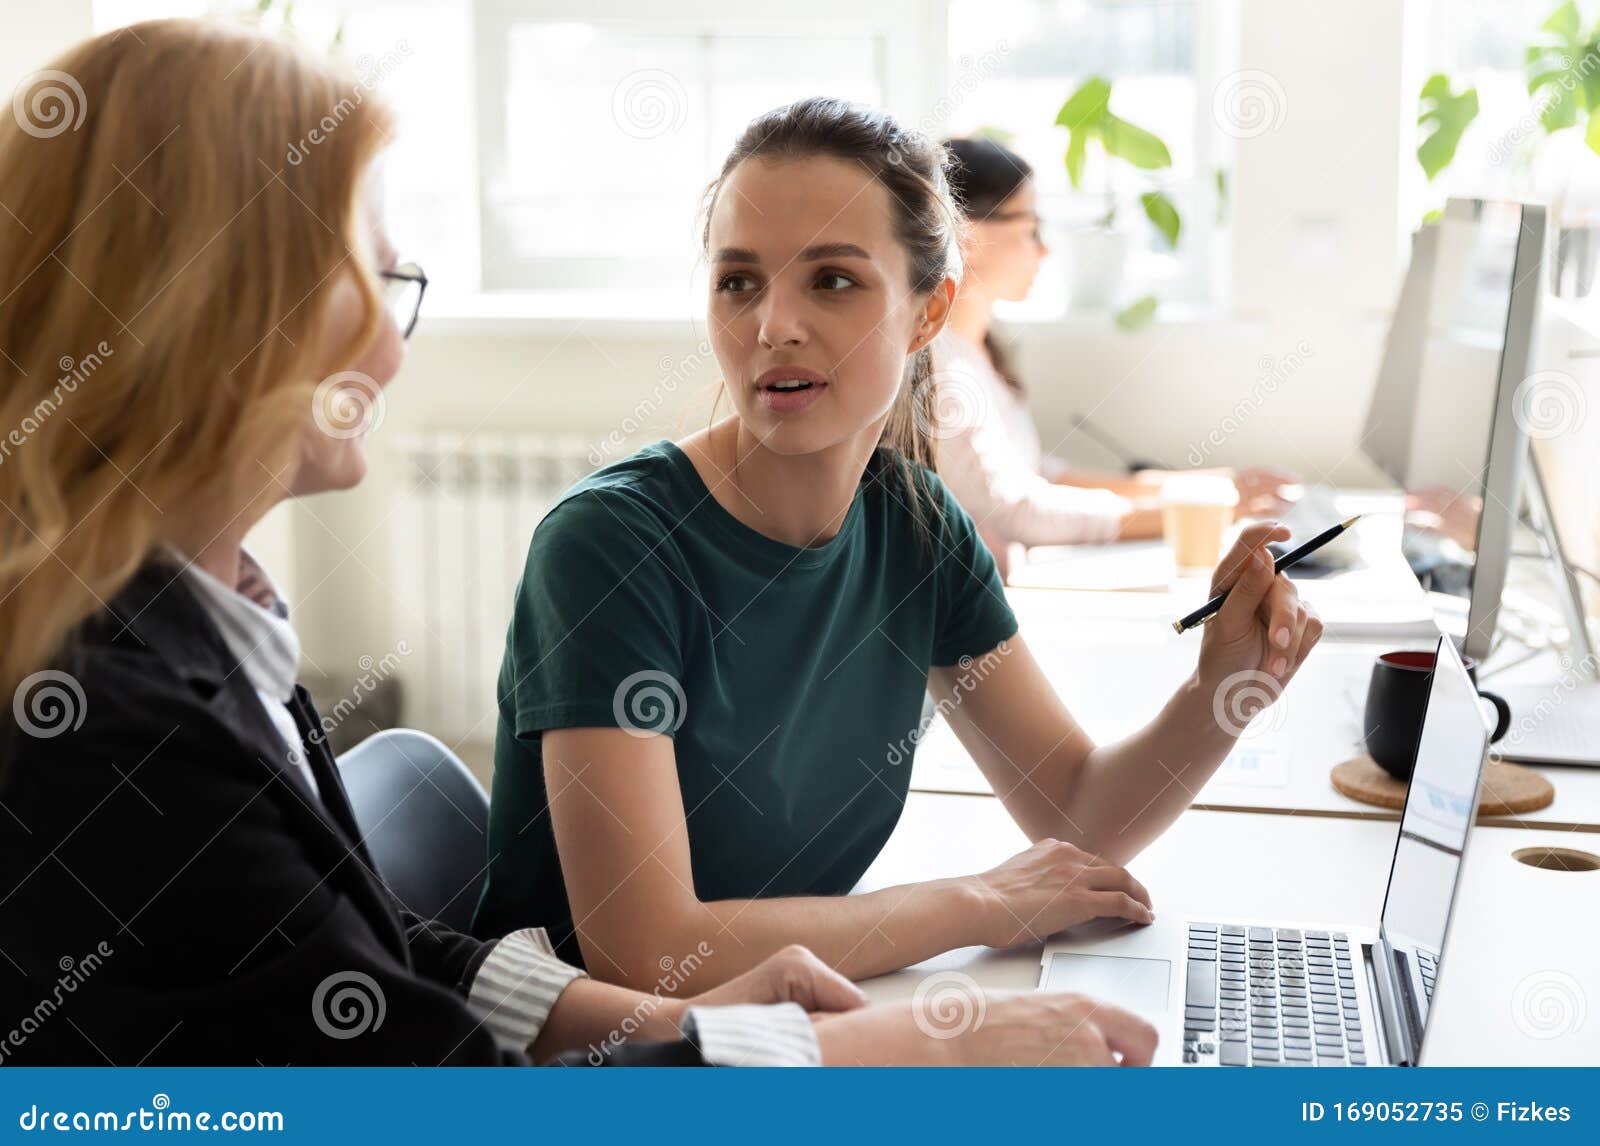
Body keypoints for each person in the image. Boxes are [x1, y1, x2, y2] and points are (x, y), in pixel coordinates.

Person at [0, 21, 1156, 1068]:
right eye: (373, 280)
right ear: (212, 309)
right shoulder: (112, 732)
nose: (394, 350)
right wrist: (888, 1050)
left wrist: (696, 1028)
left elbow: (381, 957)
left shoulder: (198, 635)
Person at [477, 98, 1323, 998]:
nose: (773, 324)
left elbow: (1076, 814)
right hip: (600, 1058)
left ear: (929, 313)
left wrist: (1222, 689)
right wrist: (972, 903)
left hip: (783, 1026)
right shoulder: (609, 547)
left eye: (832, 280)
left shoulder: (916, 525)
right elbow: (646, 951)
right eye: (739, 281)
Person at [934, 135, 1295, 580]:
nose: (1044, 249)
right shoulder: (943, 371)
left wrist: (1209, 485)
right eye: (1031, 229)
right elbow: (1017, 513)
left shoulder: (978, 350)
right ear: (967, 236)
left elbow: (1036, 474)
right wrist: (1208, 510)